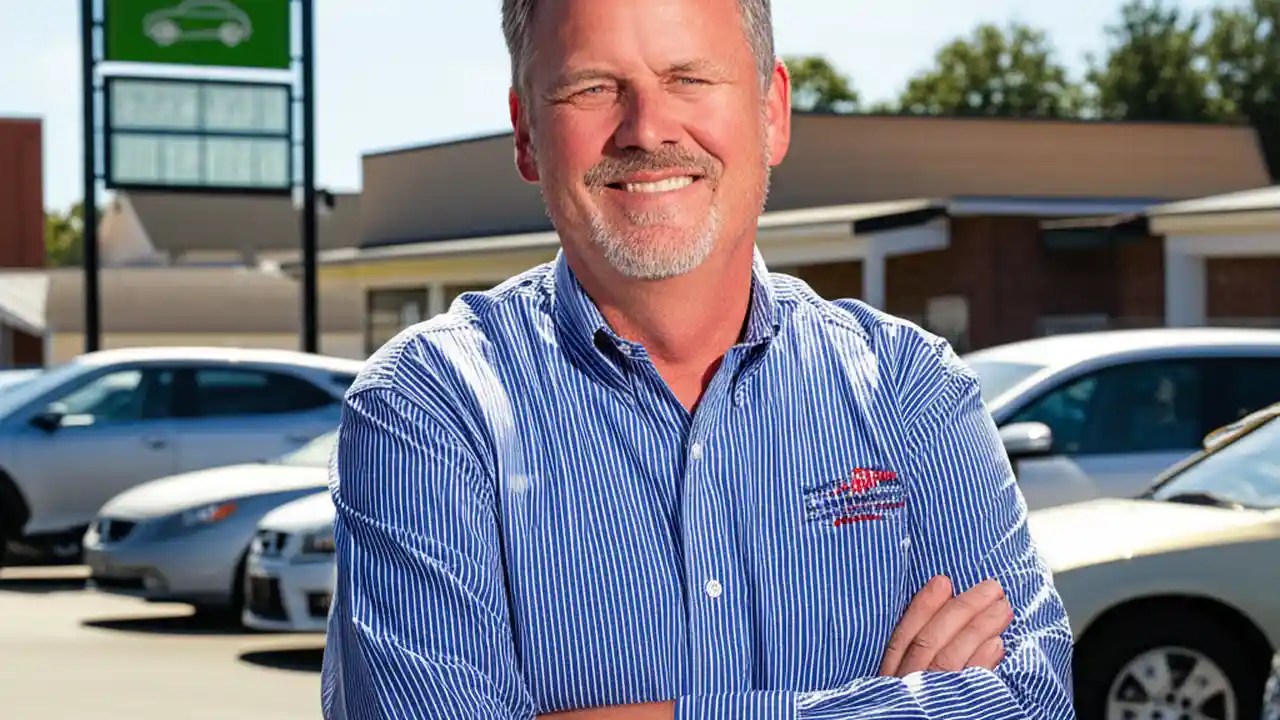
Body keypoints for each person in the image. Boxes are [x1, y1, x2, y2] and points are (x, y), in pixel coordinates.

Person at [320, 0, 1075, 717]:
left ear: (771, 111)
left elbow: (1034, 700)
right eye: (592, 87)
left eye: (689, 78)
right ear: (525, 133)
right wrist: (895, 708)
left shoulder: (910, 388)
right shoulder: (429, 406)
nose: (647, 129)